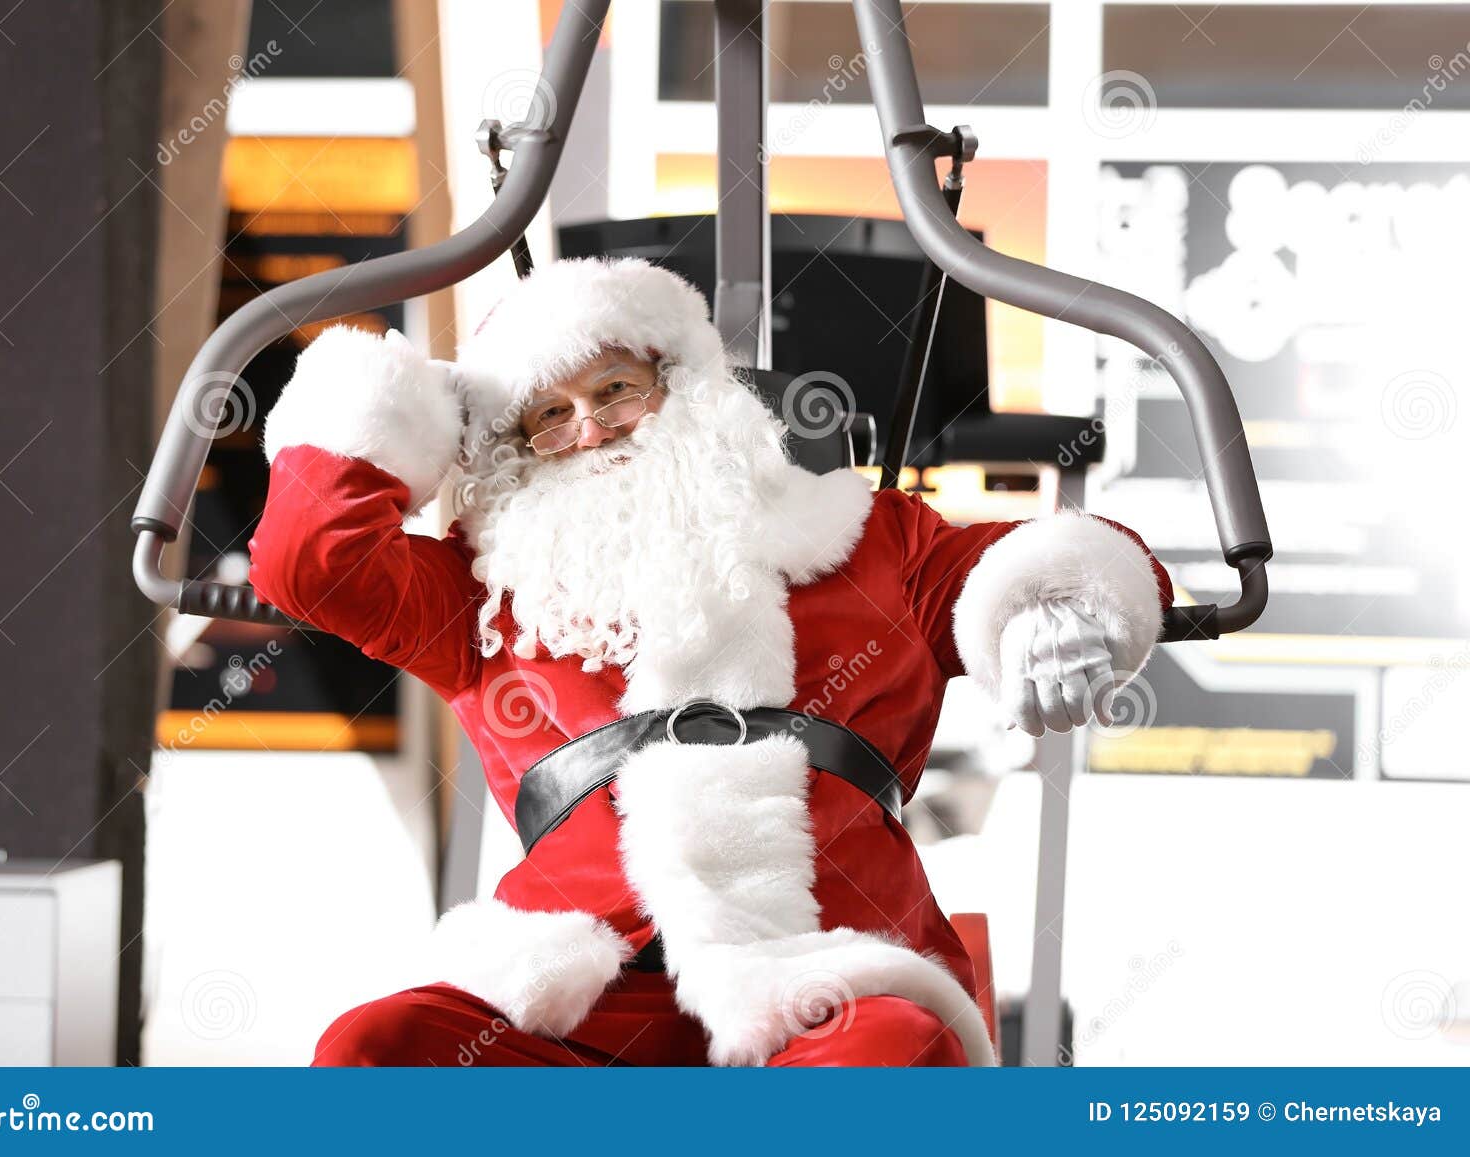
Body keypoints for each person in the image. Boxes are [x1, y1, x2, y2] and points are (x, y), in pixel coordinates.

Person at [248, 256, 1175, 1067]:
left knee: (892, 1054)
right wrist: (394, 407)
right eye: (549, 416)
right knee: (376, 1052)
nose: (593, 429)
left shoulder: (866, 538)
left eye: (615, 390)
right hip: (571, 1001)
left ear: (681, 386)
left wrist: (1061, 608)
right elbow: (309, 560)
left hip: (826, 969)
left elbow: (1042, 560)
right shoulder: (479, 596)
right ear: (514, 451)